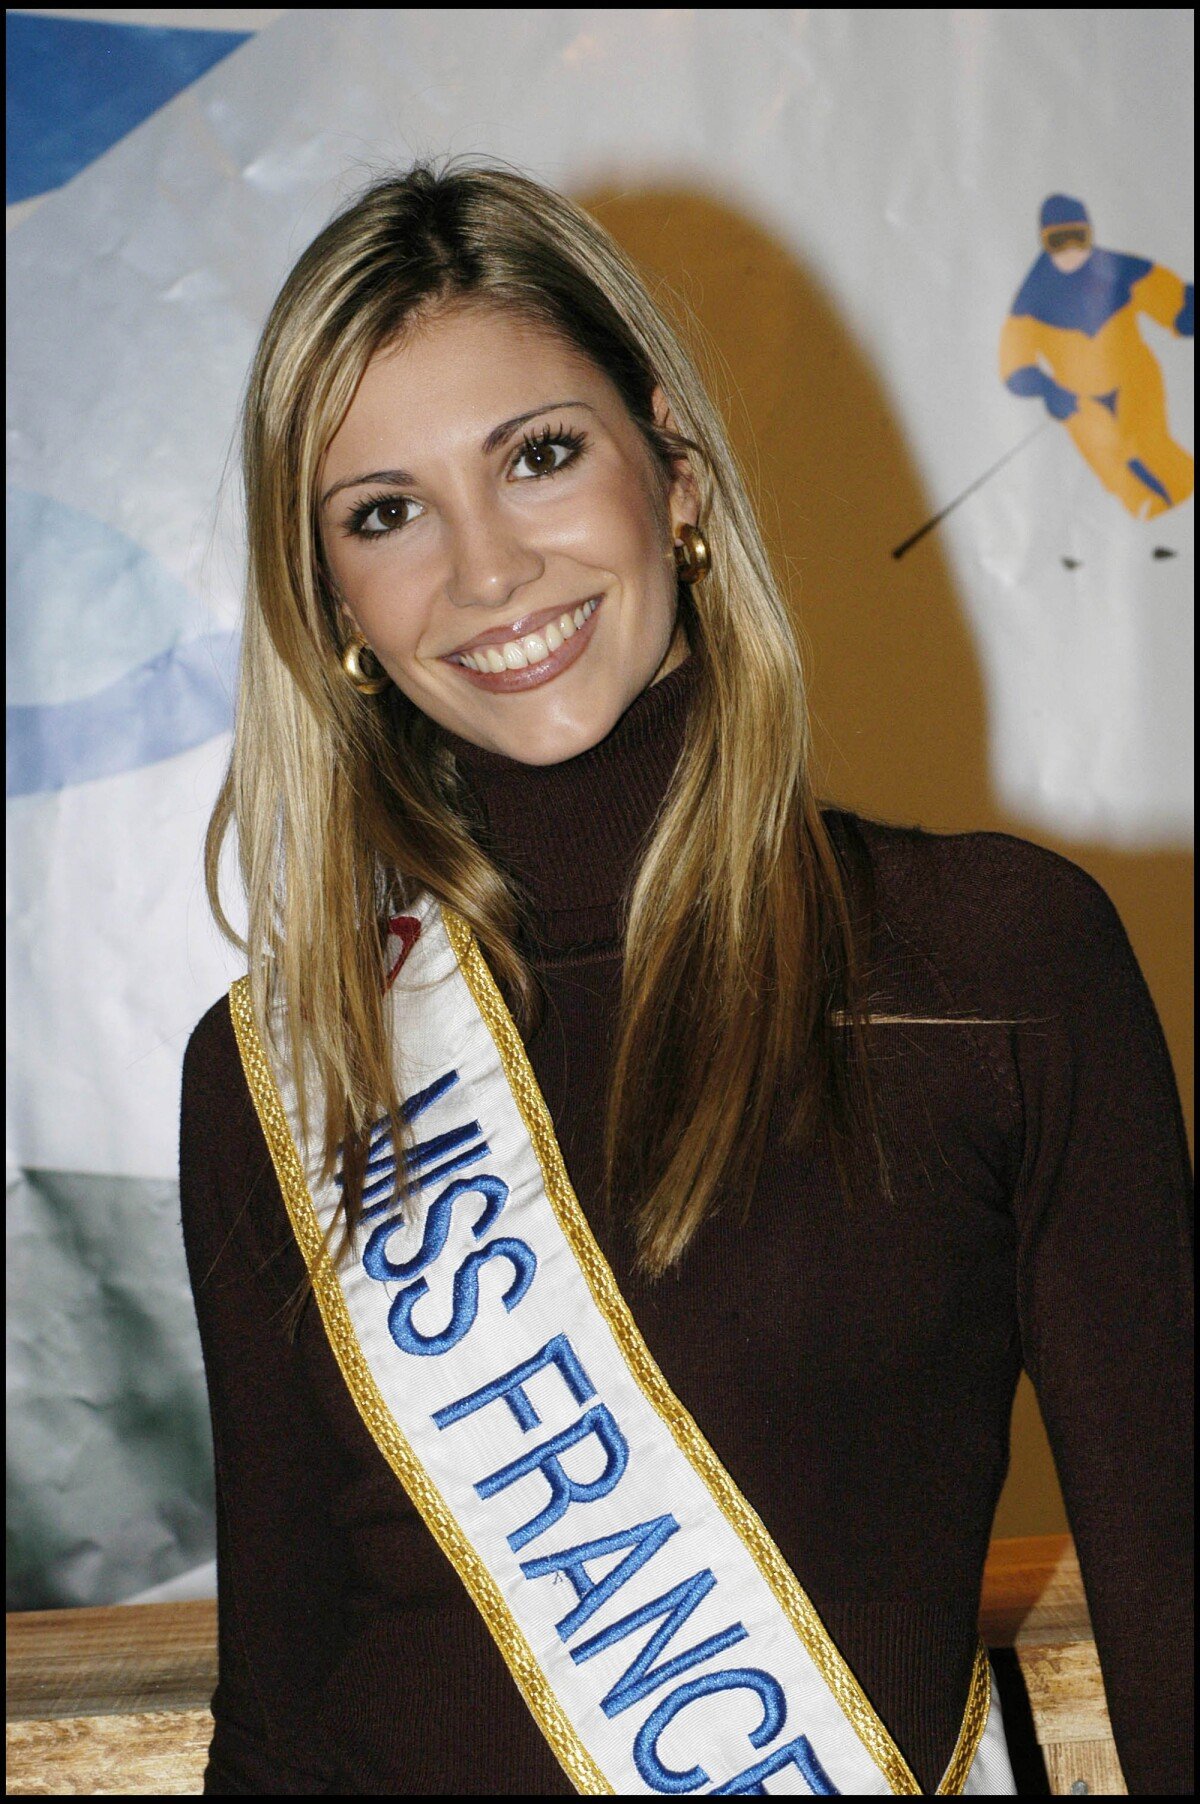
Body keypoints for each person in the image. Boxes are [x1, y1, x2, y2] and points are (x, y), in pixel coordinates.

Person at [181, 160, 1193, 1795]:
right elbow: (285, 1696)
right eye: (386, 511)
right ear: (334, 609)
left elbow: (1174, 1577)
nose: (488, 566)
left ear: (680, 475)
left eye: (540, 455)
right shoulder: (279, 1071)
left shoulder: (989, 965)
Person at [1000, 193, 1194, 519]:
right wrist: (1047, 389)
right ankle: (1147, 514)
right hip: (1079, 397)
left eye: (1079, 238)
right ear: (1045, 242)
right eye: (1058, 241)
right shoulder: (1032, 298)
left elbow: (1167, 296)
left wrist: (1183, 312)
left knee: (1151, 442)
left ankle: (1185, 492)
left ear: (1090, 233)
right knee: (1107, 456)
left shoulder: (1119, 270)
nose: (1071, 252)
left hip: (1134, 378)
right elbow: (1013, 363)